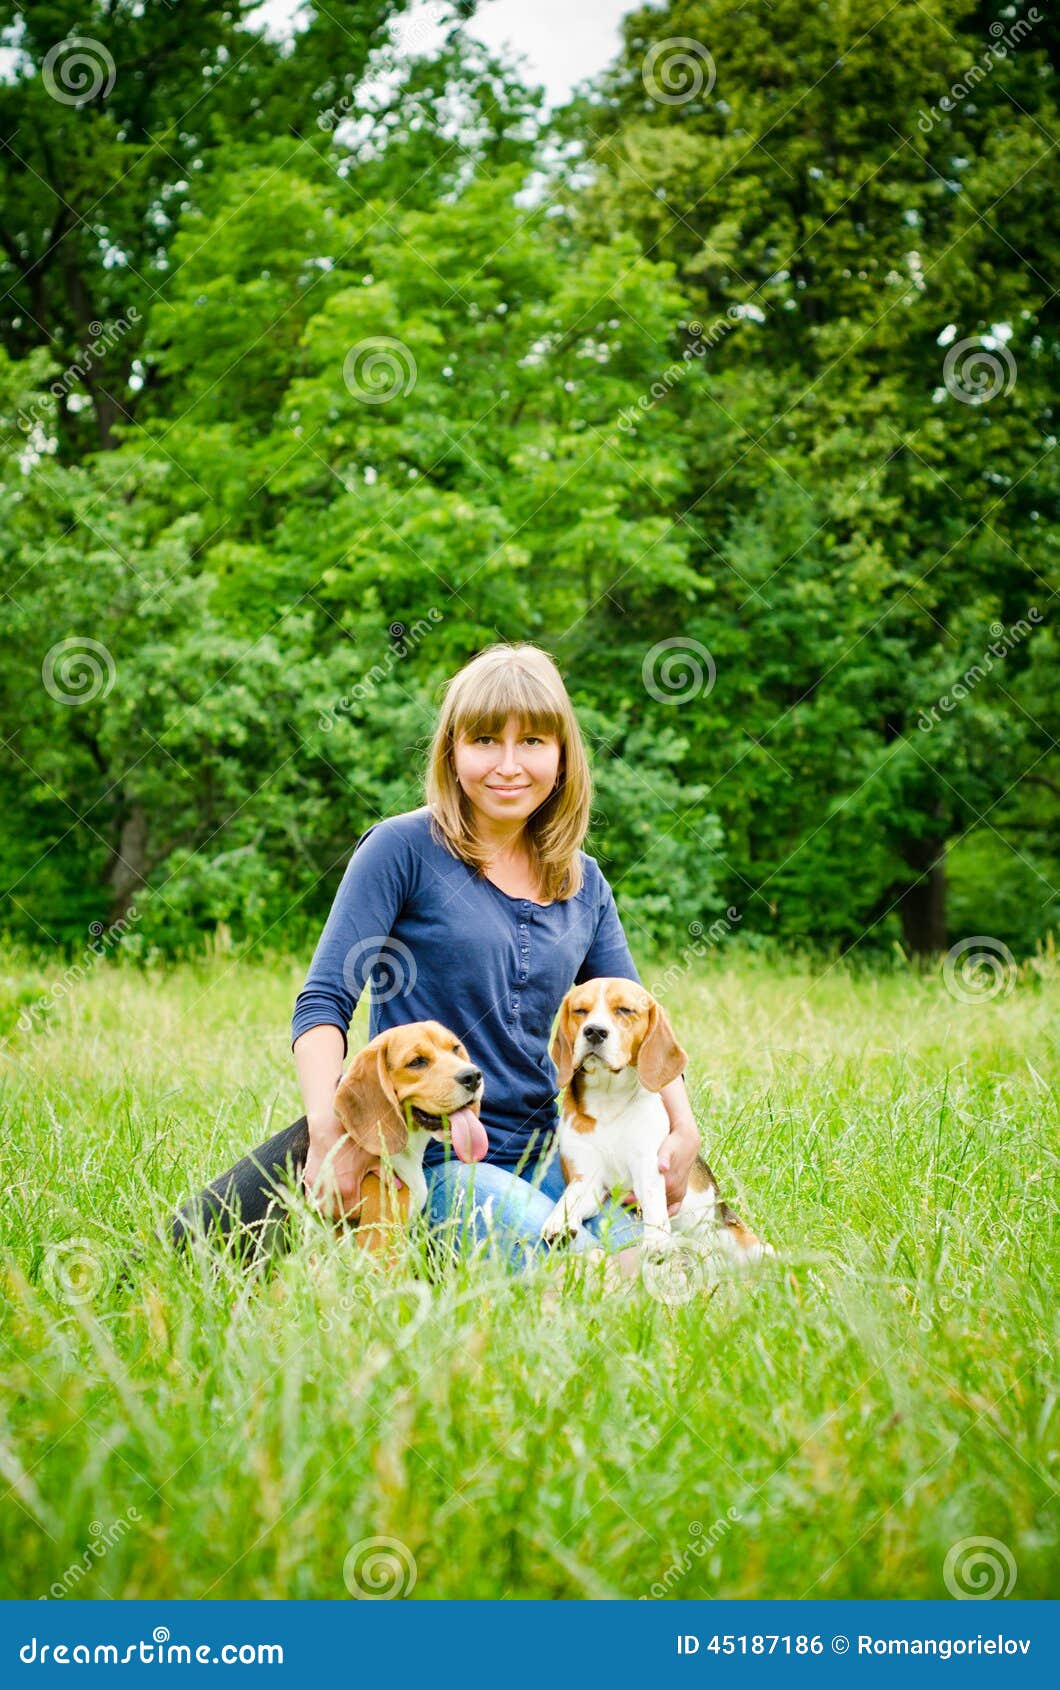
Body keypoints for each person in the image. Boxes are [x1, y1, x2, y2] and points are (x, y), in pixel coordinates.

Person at [171, 643, 700, 1269]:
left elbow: (638, 1020)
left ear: (563, 757)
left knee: (676, 1262)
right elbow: (323, 1003)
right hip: (442, 1158)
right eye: (484, 740)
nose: (508, 765)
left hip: (552, 1153)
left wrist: (684, 1128)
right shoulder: (401, 849)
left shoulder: (583, 882)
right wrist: (325, 1136)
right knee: (584, 1273)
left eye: (532, 741)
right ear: (453, 751)